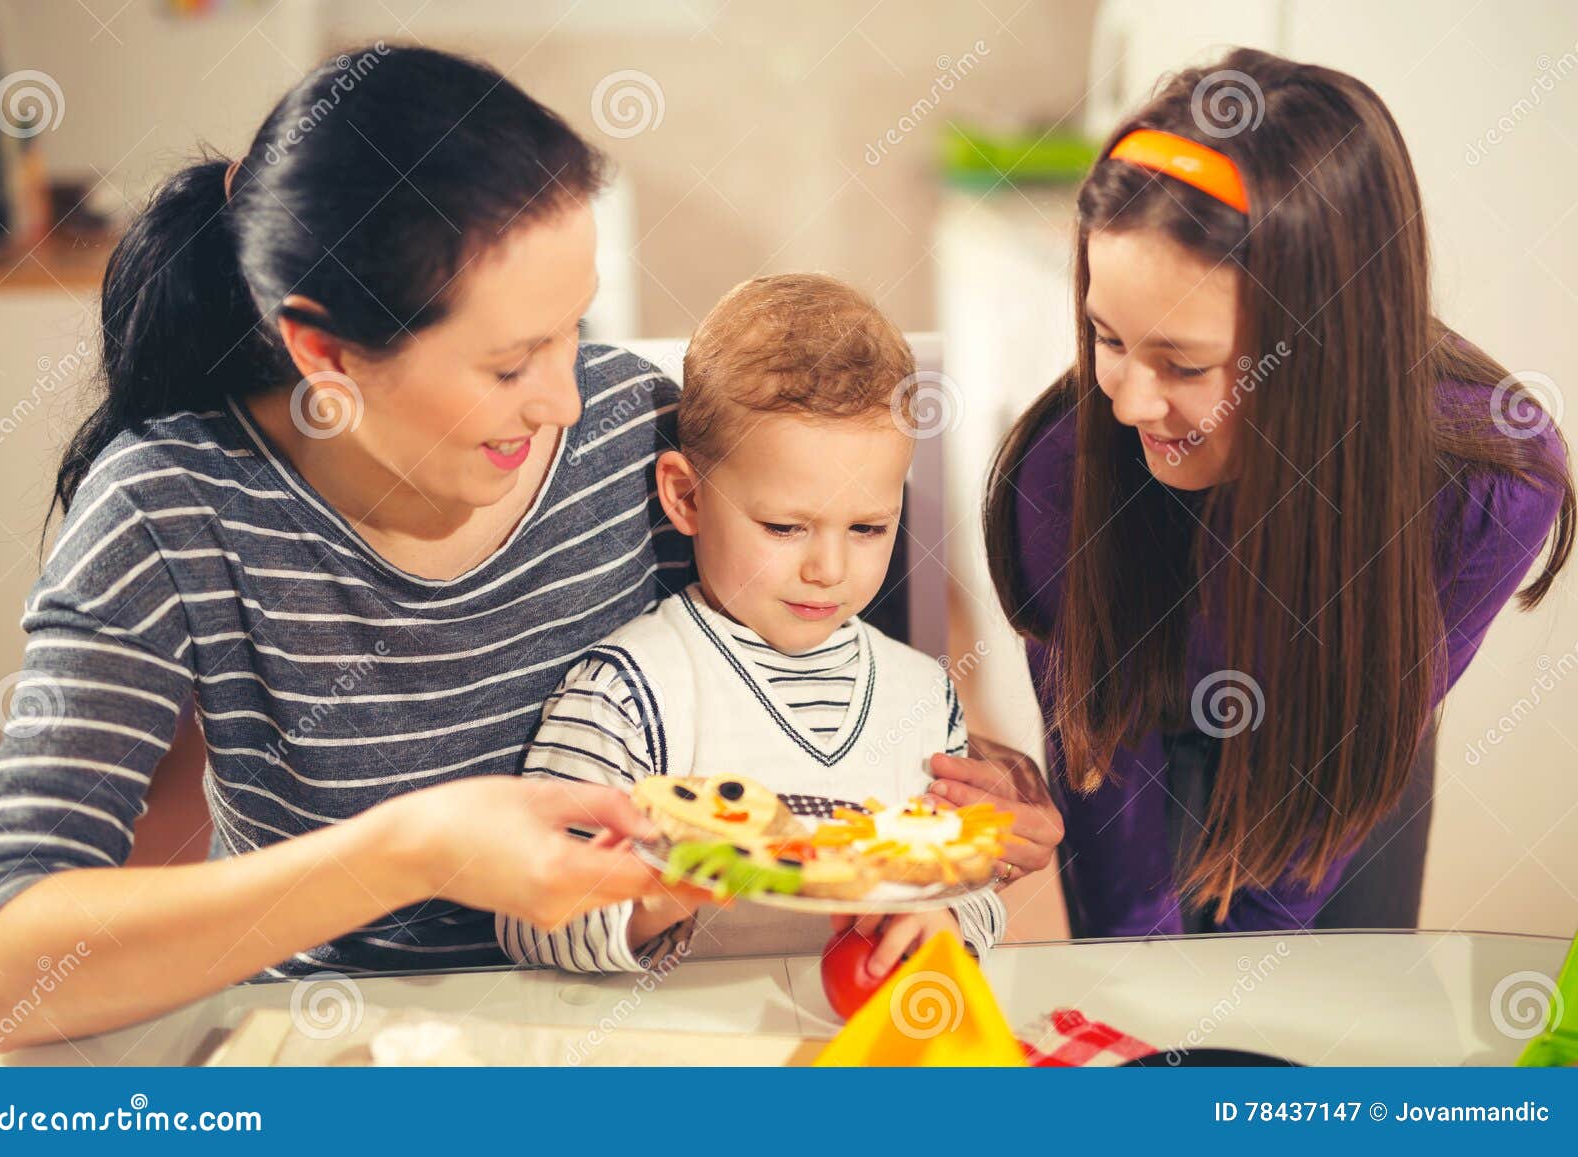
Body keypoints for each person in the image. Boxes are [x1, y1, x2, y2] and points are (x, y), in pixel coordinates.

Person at [0, 44, 705, 1051]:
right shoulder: (171, 507)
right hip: (329, 1047)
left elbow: (811, 689)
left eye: (572, 328)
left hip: (642, 1028)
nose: (566, 400)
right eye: (509, 365)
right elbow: (6, 967)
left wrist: (908, 821)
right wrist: (410, 852)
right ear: (323, 351)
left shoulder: (637, 435)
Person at [984, 48, 1574, 938]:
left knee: (1327, 1008)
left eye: (1184, 364)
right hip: (1144, 748)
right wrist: (1149, 986)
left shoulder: (1488, 487)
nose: (1128, 404)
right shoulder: (1064, 470)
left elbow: (1340, 779)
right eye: (1107, 338)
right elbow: (1106, 782)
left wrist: (1244, 976)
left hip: (1344, 749)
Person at [499, 274, 1006, 978]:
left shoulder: (924, 693)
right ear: (686, 497)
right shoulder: (623, 694)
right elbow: (527, 914)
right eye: (785, 527)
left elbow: (972, 877)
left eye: (867, 527)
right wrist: (663, 894)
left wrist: (950, 918)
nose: (828, 568)